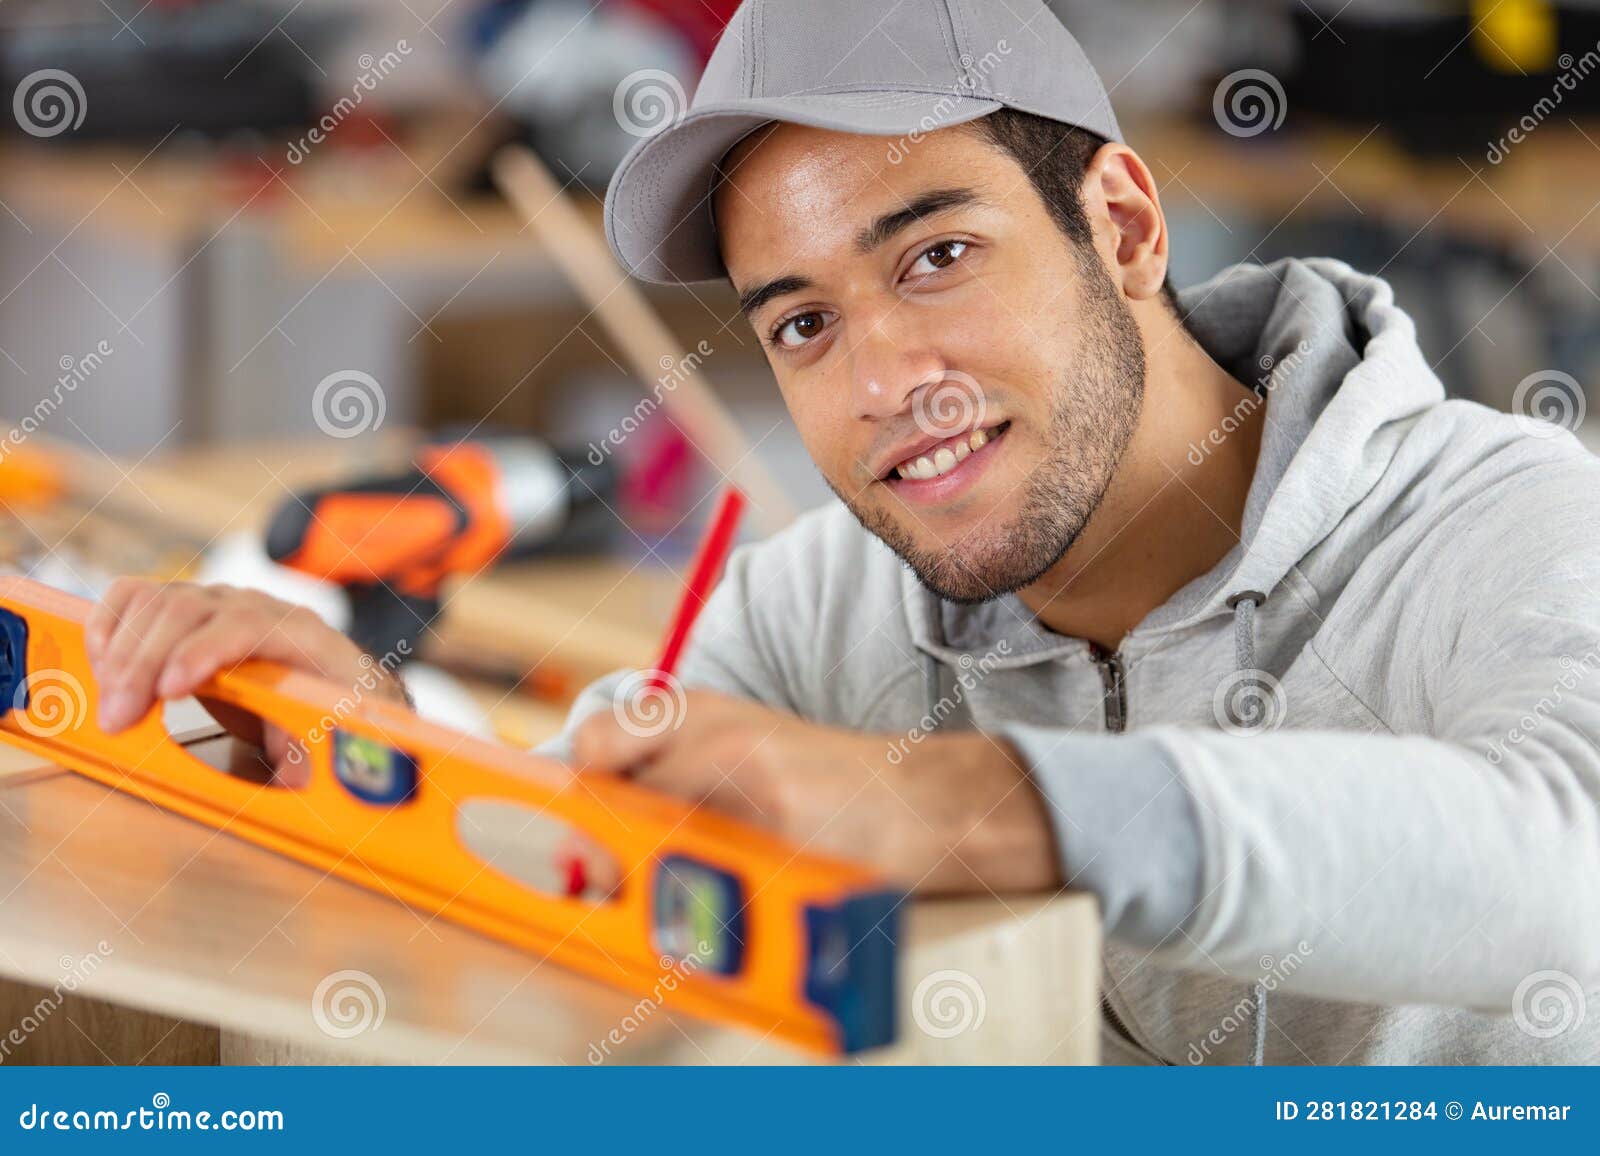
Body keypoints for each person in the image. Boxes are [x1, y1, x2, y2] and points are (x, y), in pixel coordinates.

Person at [84, 0, 1599, 1065]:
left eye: (937, 254)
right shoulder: (818, 607)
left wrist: (971, 806)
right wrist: (386, 753)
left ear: (1125, 228)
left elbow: (1562, 857)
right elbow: (615, 861)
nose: (883, 385)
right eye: (802, 322)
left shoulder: (1503, 516)